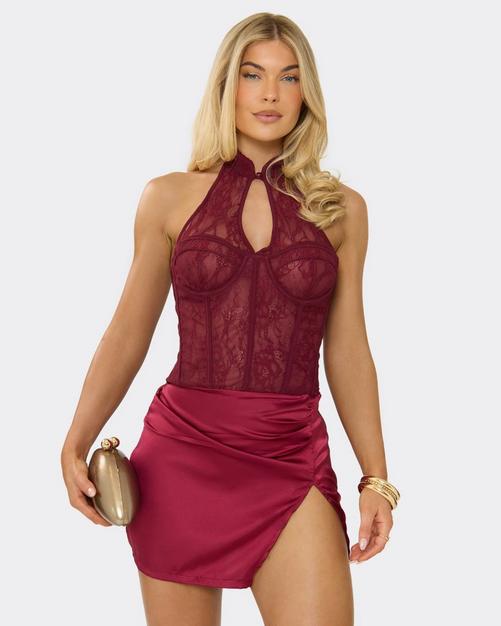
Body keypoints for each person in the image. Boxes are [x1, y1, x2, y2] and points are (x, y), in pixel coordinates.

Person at [61, 12, 399, 626]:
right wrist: (76, 439)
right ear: (226, 86)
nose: (270, 94)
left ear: (306, 93)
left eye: (288, 77)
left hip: (291, 456)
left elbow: (349, 348)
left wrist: (376, 478)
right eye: (252, 75)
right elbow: (128, 331)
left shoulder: (340, 210)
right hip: (181, 455)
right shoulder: (167, 197)